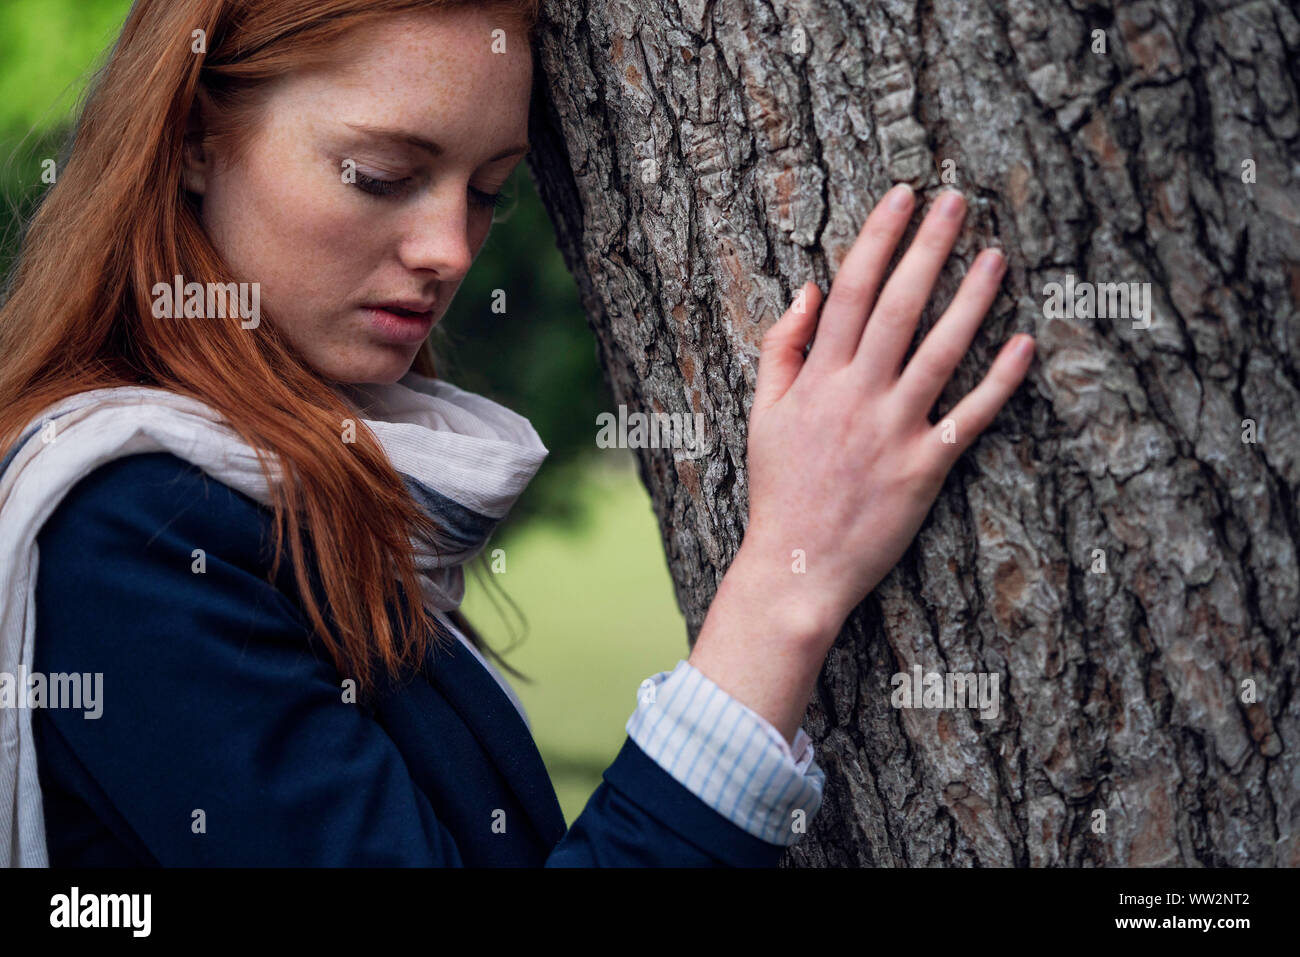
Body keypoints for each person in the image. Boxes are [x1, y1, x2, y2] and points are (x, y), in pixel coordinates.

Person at [0, 0, 1033, 866]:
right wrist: (784, 589)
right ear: (191, 143)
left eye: (486, 190)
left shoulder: (270, 488)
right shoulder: (130, 534)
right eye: (381, 174)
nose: (449, 249)